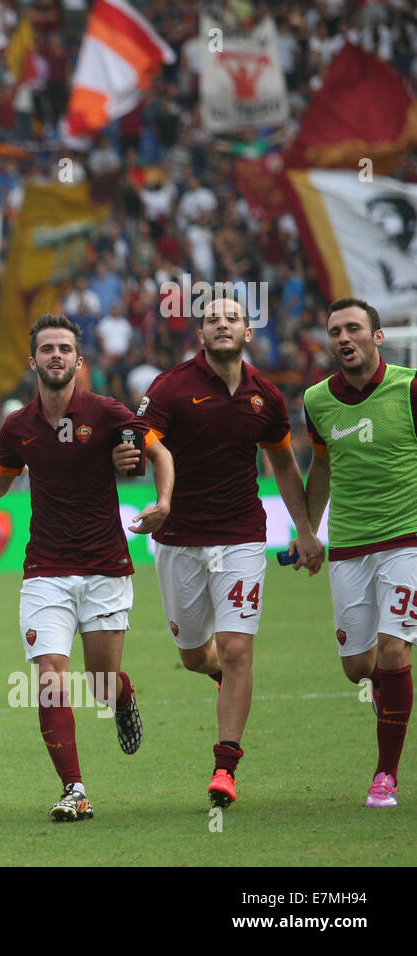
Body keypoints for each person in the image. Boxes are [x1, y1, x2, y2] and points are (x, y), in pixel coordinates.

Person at [0, 315, 175, 822]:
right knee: (51, 678)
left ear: (79, 362)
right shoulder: (18, 426)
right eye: (47, 349)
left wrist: (163, 502)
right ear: (33, 360)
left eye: (64, 348)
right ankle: (73, 789)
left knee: (102, 682)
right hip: (45, 570)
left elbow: (158, 453)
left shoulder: (106, 412)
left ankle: (122, 699)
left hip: (105, 565)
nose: (55, 355)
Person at [136, 298, 324, 808]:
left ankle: (226, 767)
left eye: (232, 317)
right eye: (212, 318)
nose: (222, 323)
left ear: (247, 331)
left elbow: (284, 464)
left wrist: (305, 530)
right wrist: (156, 492)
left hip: (242, 536)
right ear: (200, 334)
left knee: (239, 650)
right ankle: (218, 673)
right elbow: (143, 446)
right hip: (179, 540)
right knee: (195, 654)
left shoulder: (266, 396)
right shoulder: (170, 388)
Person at [304, 298, 417, 809]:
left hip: (406, 540)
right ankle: (392, 692)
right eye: (334, 331)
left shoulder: (410, 387)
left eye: (353, 329)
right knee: (359, 667)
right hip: (349, 545)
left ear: (377, 337)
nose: (343, 338)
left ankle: (384, 776)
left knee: (394, 652)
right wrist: (307, 530)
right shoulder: (316, 401)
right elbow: (321, 469)